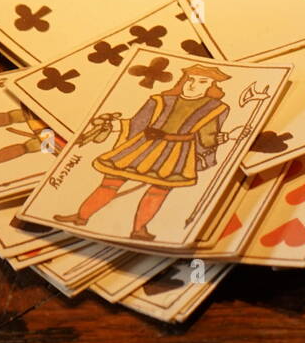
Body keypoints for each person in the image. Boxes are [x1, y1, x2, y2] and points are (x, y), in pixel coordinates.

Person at [54, 64, 242, 241]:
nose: (194, 85)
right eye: (191, 79)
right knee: (110, 182)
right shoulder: (159, 100)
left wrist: (220, 139)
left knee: (158, 192)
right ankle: (81, 216)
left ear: (212, 86)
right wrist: (113, 125)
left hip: (176, 153)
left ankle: (139, 230)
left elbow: (207, 137)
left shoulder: (216, 108)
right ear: (183, 80)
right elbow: (137, 123)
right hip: (142, 146)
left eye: (203, 82)